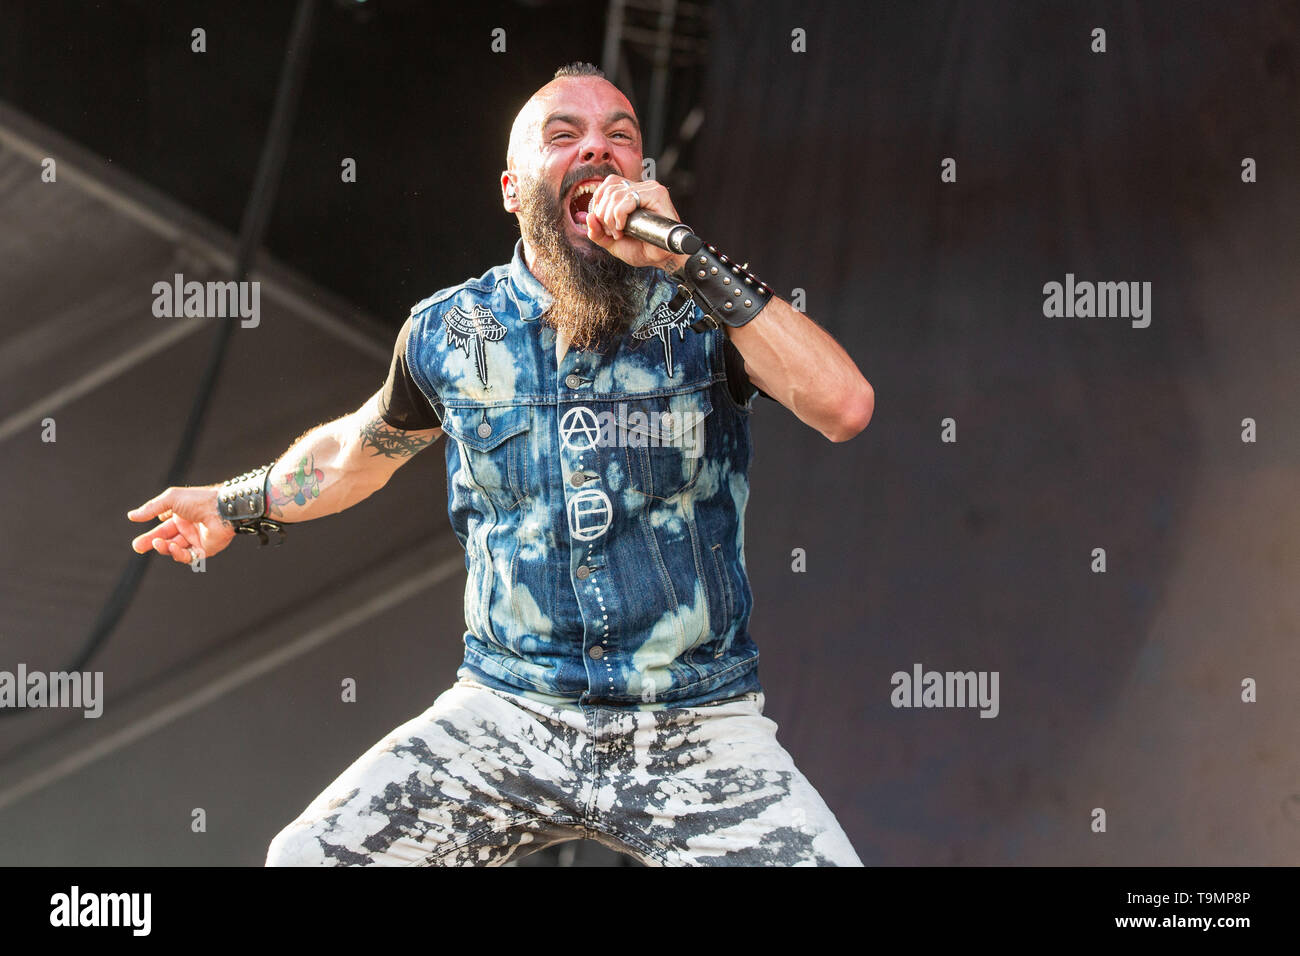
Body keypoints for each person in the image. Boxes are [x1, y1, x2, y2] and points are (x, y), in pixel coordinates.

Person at [127, 62, 874, 866]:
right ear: (515, 191)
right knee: (309, 858)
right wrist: (235, 504)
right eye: (565, 136)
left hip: (695, 723)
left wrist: (689, 256)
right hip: (508, 713)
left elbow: (844, 406)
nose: (598, 149)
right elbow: (353, 456)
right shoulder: (454, 332)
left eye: (620, 137)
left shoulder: (702, 309)